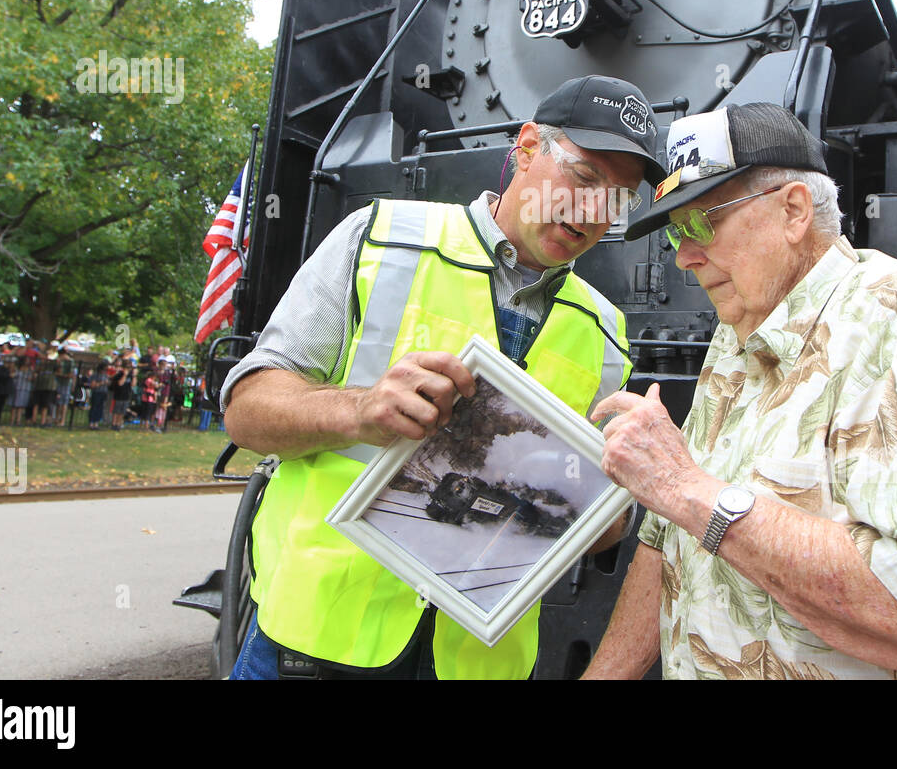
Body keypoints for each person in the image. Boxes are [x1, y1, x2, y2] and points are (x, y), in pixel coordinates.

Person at [583, 103, 897, 680]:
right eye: (678, 232)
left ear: (794, 211)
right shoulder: (735, 339)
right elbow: (670, 540)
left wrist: (683, 486)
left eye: (702, 224)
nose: (685, 256)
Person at [222, 74, 665, 680]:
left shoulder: (606, 332)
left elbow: (593, 528)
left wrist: (606, 507)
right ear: (528, 147)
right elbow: (247, 411)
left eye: (620, 198)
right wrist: (356, 411)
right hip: (316, 645)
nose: (595, 212)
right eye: (585, 177)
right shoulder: (380, 240)